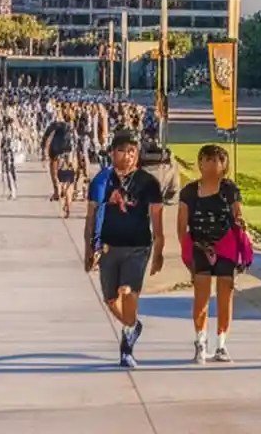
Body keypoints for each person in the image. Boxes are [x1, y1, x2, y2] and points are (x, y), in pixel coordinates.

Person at [85, 130, 165, 368]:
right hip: (109, 246)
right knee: (111, 299)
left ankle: (126, 349)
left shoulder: (148, 182)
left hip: (138, 246)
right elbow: (91, 217)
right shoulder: (102, 180)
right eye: (121, 150)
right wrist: (89, 248)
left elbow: (157, 218)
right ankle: (132, 326)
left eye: (132, 151)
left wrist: (159, 249)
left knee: (128, 290)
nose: (127, 156)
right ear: (112, 153)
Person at [177, 144, 243, 364]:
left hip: (226, 247)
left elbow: (238, 218)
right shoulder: (189, 191)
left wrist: (242, 231)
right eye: (209, 160)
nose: (214, 165)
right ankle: (200, 341)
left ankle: (221, 344)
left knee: (225, 296)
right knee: (201, 297)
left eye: (218, 161)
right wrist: (186, 250)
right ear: (200, 163)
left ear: (225, 165)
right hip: (200, 247)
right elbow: (181, 224)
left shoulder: (229, 189)